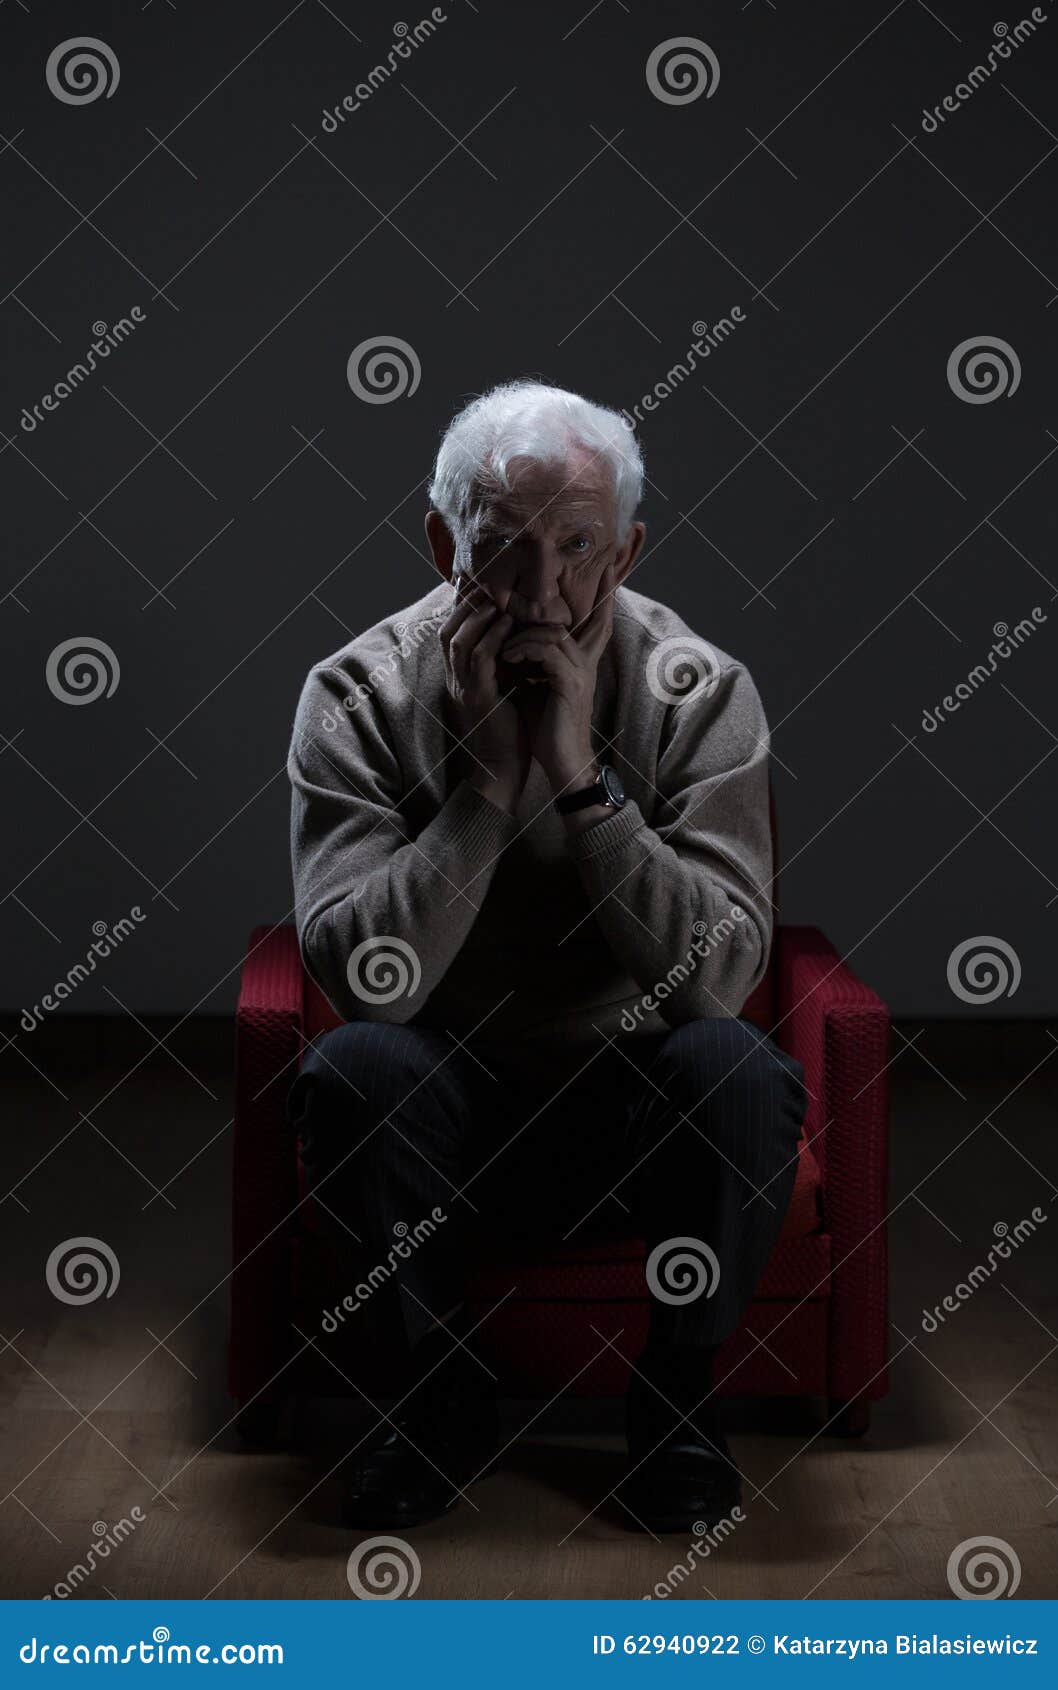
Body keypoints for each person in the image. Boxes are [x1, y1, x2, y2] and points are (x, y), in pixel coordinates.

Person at [286, 380, 807, 1534]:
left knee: (736, 1065)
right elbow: (364, 981)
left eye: (575, 549)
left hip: (627, 1106)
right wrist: (481, 791)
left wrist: (580, 785)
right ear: (441, 543)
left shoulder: (698, 690)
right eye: (501, 549)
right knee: (352, 1066)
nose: (537, 593)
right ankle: (435, 1395)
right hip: (446, 1106)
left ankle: (675, 1402)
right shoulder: (355, 692)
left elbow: (718, 979)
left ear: (623, 552)